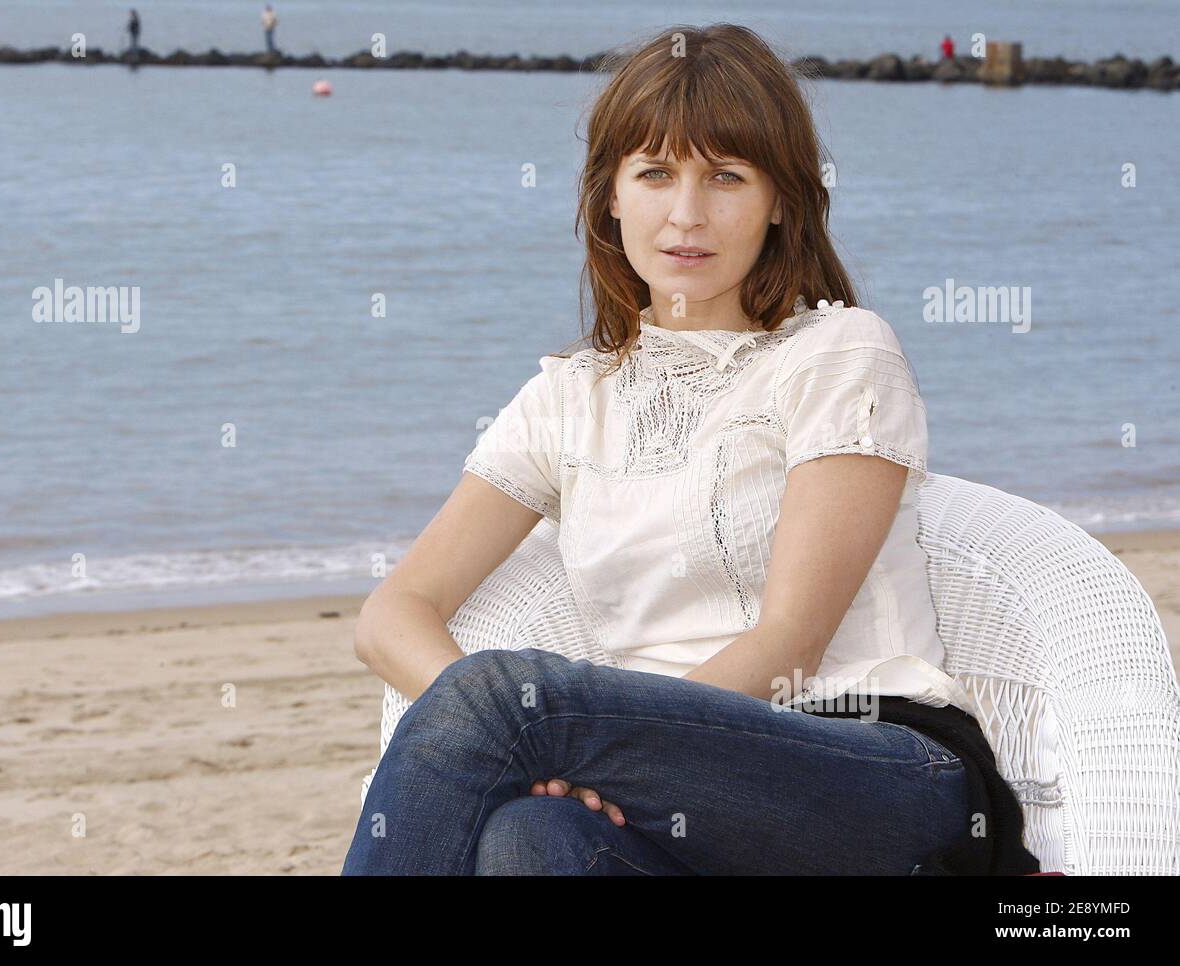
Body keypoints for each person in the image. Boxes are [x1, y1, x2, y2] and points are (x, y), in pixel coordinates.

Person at [342, 23, 1041, 876]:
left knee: (503, 702)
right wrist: (561, 761)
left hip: (869, 769)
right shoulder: (566, 398)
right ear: (609, 195)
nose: (687, 214)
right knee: (528, 837)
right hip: (655, 802)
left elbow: (792, 642)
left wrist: (565, 741)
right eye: (656, 173)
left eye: (727, 177)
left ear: (782, 199)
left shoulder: (839, 352)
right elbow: (391, 616)